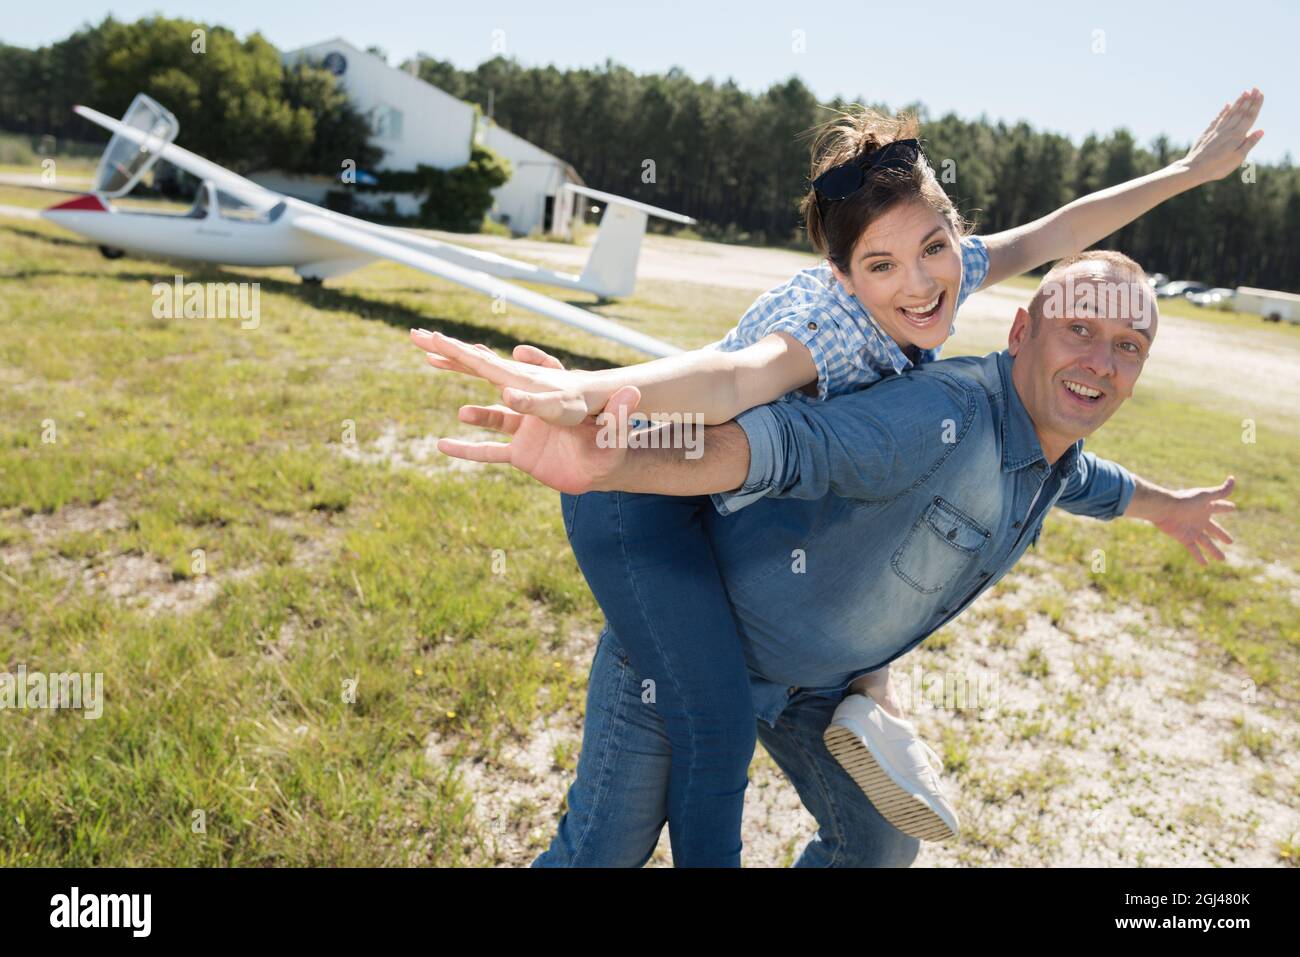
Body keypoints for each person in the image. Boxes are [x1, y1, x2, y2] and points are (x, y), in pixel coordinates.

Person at [415, 90, 1262, 865]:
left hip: (774, 613)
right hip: (658, 518)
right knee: (619, 834)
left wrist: (1187, 174)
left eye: (933, 248)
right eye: (883, 265)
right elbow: (735, 391)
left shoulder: (955, 294)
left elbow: (1052, 240)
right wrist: (592, 400)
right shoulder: (836, 336)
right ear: (846, 274)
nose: (920, 281)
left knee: (879, 840)